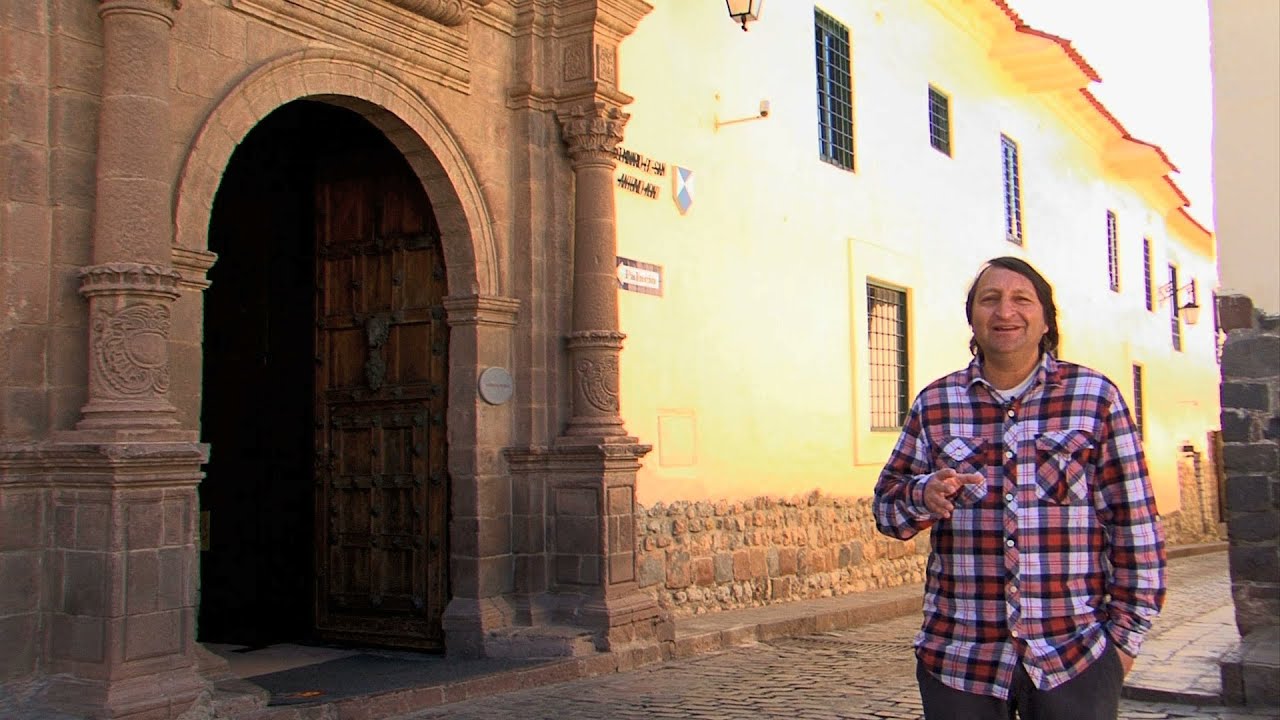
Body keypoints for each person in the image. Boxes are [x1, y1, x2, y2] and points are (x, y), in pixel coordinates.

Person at [872, 256, 1166, 720]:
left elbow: (1135, 527)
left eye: (1021, 299)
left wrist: (1123, 643)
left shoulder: (1095, 398)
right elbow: (886, 509)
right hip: (958, 658)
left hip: (1074, 656)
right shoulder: (936, 404)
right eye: (989, 300)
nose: (1004, 311)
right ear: (972, 317)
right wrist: (922, 494)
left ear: (1046, 318)